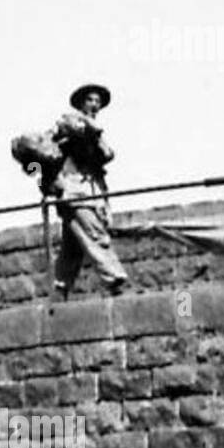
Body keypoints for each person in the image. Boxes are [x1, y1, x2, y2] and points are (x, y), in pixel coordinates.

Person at [51, 83, 127, 298]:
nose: (94, 105)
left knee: (72, 250)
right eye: (90, 100)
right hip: (75, 192)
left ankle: (59, 292)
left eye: (97, 101)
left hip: (89, 193)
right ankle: (114, 281)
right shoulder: (71, 122)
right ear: (81, 103)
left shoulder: (95, 133)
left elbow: (108, 154)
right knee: (96, 236)